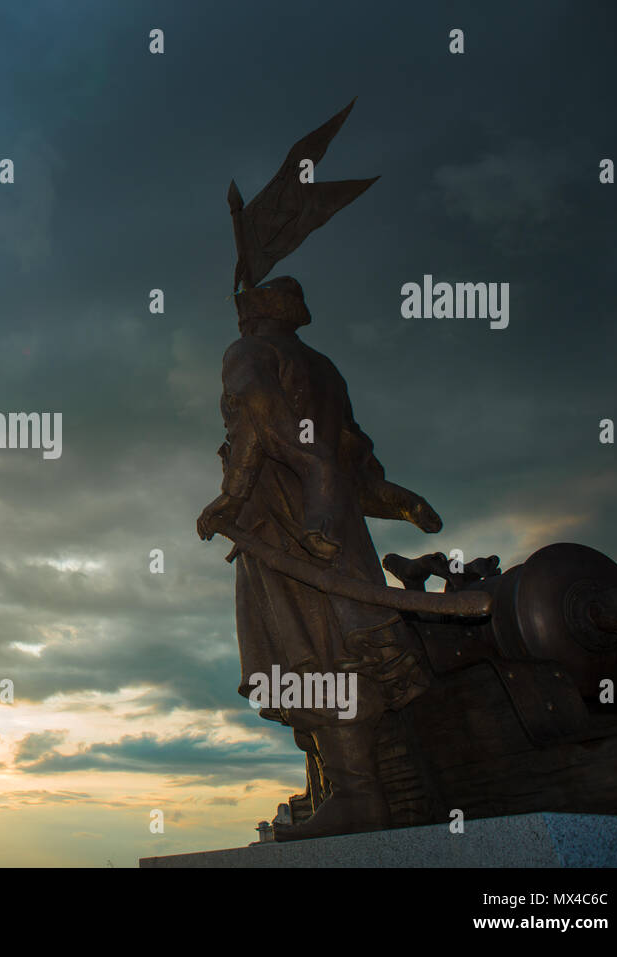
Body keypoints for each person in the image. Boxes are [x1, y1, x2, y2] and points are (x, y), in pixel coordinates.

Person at [197, 276, 443, 840]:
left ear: (251, 313)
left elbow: (258, 410)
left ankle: (359, 796)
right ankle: (350, 792)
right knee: (341, 651)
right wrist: (403, 501)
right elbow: (356, 462)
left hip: (286, 526)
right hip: (338, 526)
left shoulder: (248, 352)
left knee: (311, 657)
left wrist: (233, 494)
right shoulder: (324, 369)